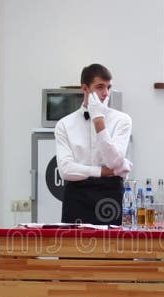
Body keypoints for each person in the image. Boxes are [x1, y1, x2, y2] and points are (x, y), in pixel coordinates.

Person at [55, 63, 132, 225]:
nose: (105, 93)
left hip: (110, 194)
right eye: (100, 87)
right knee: (73, 248)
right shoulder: (64, 124)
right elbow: (66, 170)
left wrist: (99, 122)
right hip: (77, 196)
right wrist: (102, 171)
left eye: (108, 87)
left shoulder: (122, 120)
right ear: (85, 88)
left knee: (113, 248)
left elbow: (115, 162)